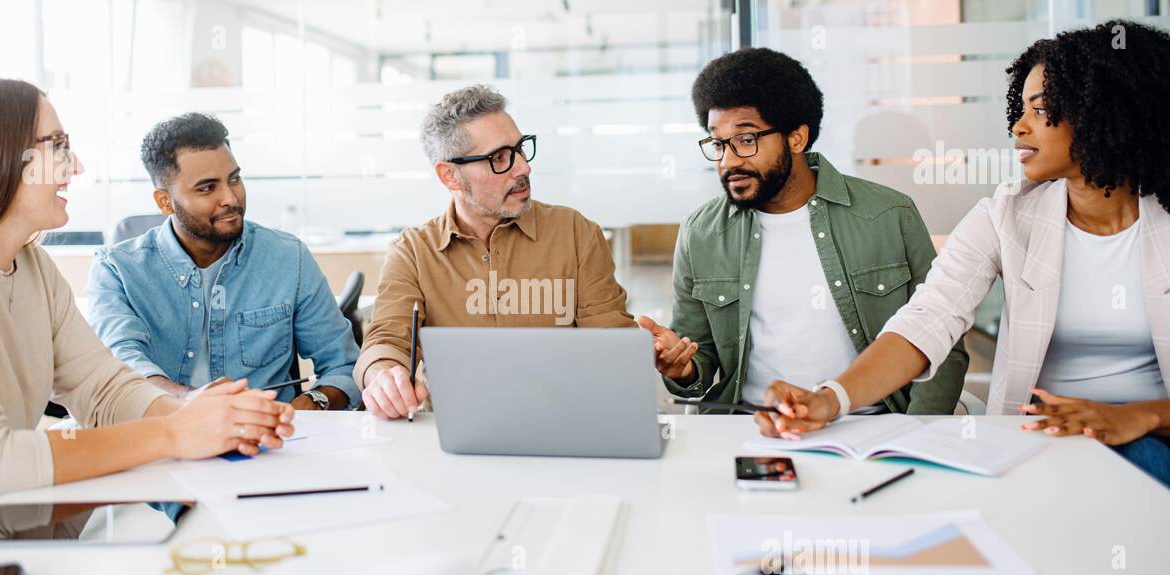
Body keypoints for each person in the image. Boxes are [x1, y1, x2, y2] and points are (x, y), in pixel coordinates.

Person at [757, 22, 1170, 488]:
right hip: (1039, 445)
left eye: (1042, 109)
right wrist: (831, 399)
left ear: (1105, 114)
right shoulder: (1005, 216)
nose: (1020, 125)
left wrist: (1141, 417)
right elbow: (928, 320)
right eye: (1022, 108)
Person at [0, 79, 294, 522]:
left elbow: (102, 388)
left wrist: (205, 418)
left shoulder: (32, 266)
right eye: (56, 146)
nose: (75, 165)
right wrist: (175, 433)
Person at [639, 48, 968, 414]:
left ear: (796, 138)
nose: (728, 161)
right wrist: (682, 368)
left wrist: (916, 435)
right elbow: (700, 358)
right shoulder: (701, 232)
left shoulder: (890, 215)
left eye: (747, 140)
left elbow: (942, 340)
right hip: (751, 423)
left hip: (872, 425)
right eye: (718, 143)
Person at [357, 84, 635, 419]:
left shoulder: (576, 234)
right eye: (500, 158)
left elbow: (612, 345)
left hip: (564, 428)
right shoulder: (413, 252)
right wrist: (384, 375)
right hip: (455, 437)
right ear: (450, 175)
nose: (523, 168)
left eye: (520, 149)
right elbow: (386, 340)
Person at [88, 113, 359, 411]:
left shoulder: (287, 258)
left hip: (268, 447)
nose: (231, 198)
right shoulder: (116, 270)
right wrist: (190, 401)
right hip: (161, 439)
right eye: (207, 188)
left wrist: (305, 408)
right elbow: (122, 371)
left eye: (234, 179)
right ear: (165, 202)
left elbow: (344, 366)